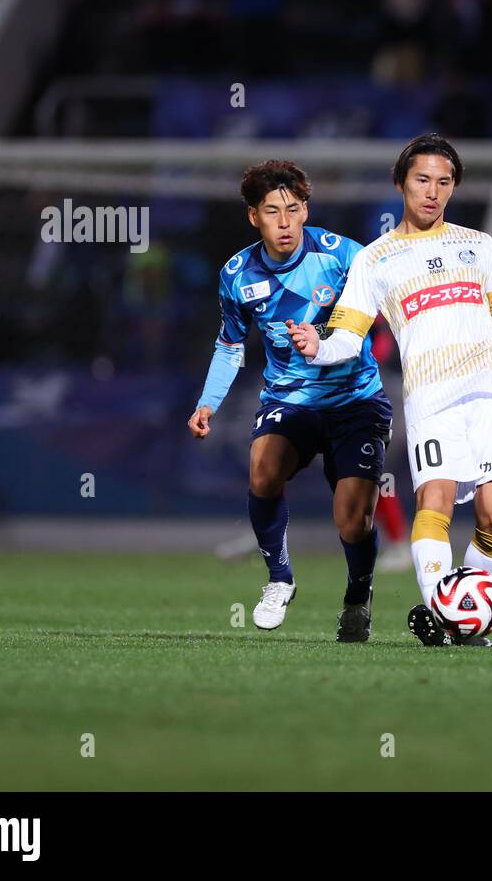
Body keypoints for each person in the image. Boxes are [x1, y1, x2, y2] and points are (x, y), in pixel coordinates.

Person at [287, 133, 492, 646]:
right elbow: (348, 334)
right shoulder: (376, 259)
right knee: (435, 499)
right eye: (422, 180)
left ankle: (464, 613)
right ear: (400, 184)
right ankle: (444, 613)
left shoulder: (479, 245)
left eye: (444, 182)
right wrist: (316, 347)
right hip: (431, 399)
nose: (432, 191)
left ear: (453, 188)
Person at [188, 160, 391, 642]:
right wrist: (207, 402)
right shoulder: (237, 275)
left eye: (293, 210)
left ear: (306, 211)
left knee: (353, 518)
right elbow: (230, 345)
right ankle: (279, 579)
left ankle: (357, 597)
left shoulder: (343, 255)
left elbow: (380, 315)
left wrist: (328, 336)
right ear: (253, 216)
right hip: (291, 399)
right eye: (272, 211)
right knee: (263, 466)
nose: (285, 222)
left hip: (355, 400)